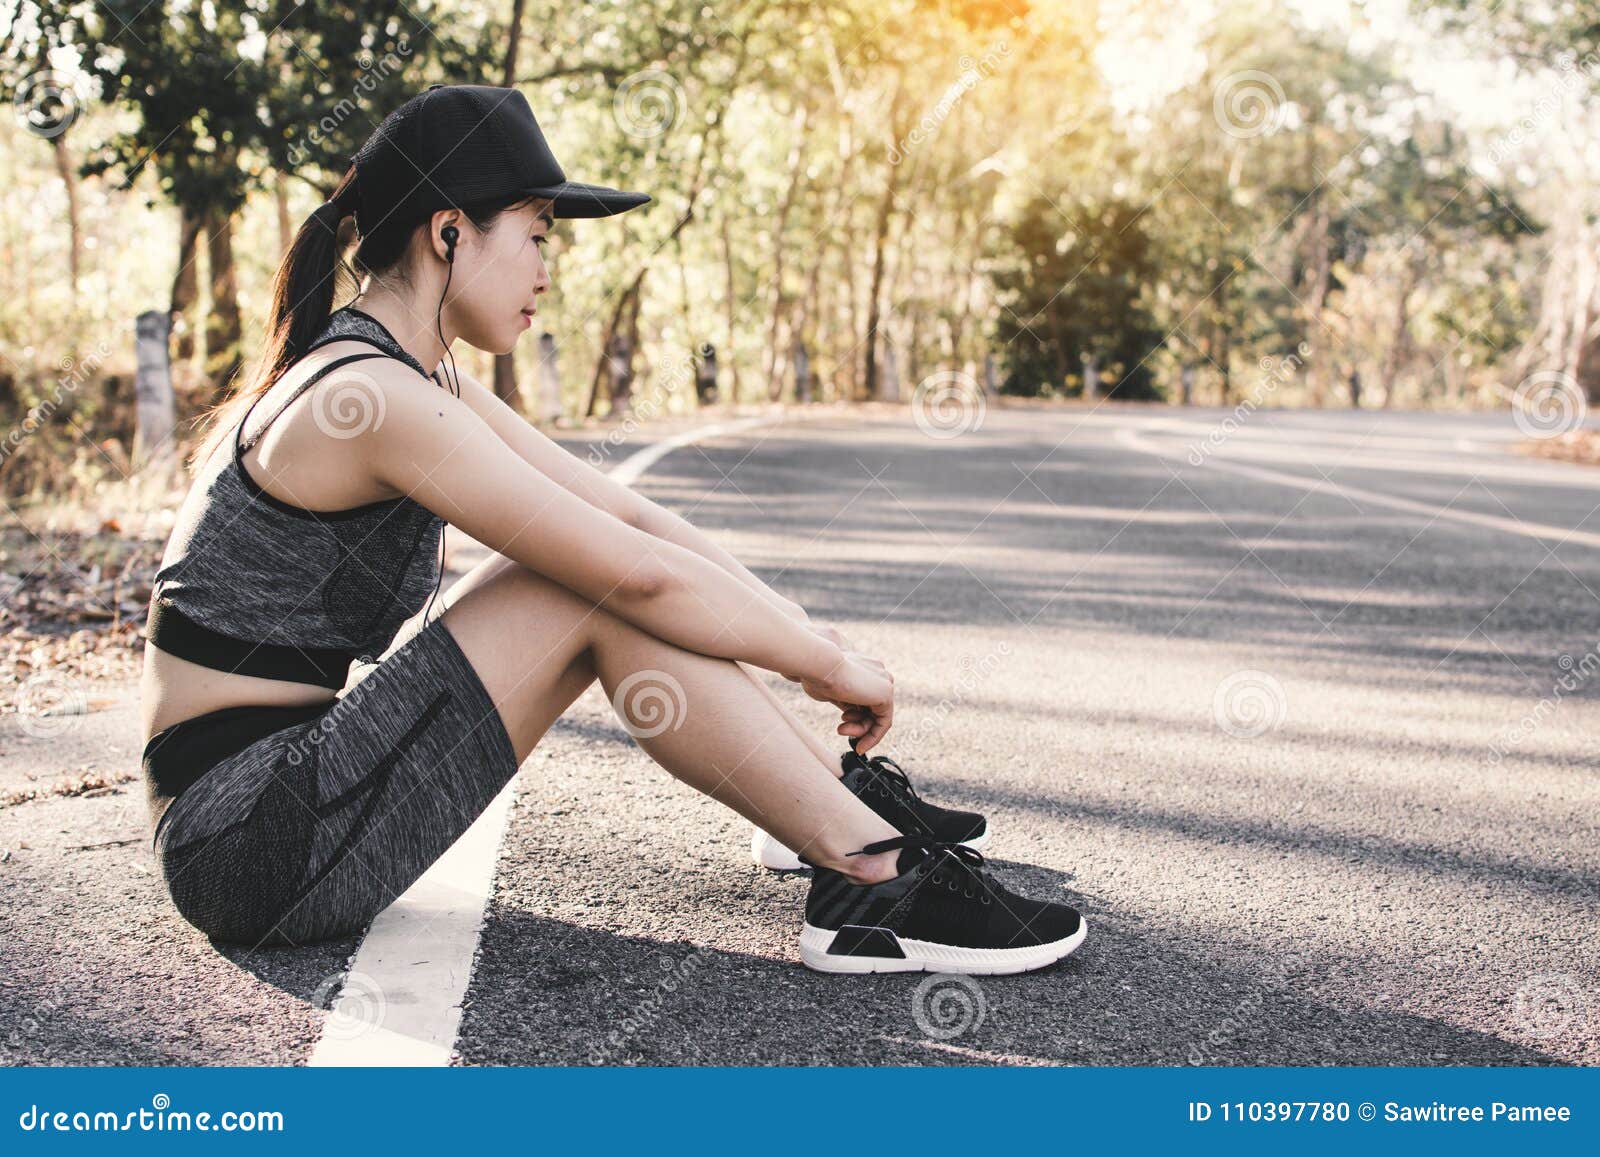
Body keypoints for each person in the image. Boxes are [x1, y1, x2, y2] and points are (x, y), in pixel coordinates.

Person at [138, 84, 1086, 975]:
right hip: (246, 843)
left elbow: (626, 511)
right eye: (538, 235)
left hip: (285, 799)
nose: (547, 273)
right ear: (449, 232)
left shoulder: (411, 374)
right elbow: (633, 576)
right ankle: (870, 877)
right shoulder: (370, 395)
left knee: (598, 564)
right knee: (582, 587)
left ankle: (824, 806)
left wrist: (813, 638)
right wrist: (825, 670)